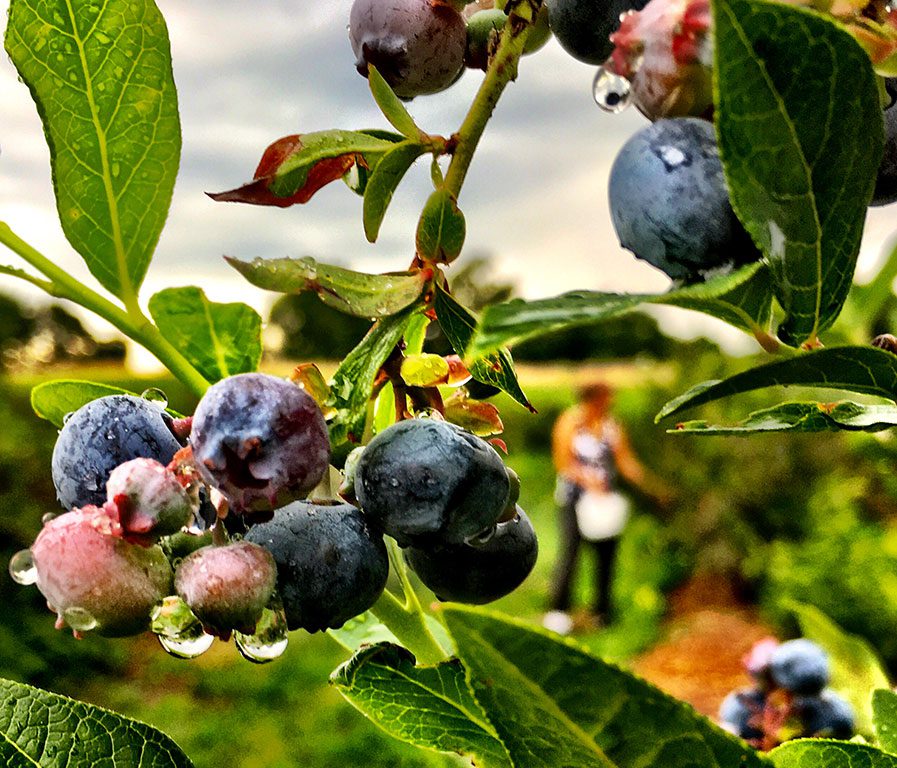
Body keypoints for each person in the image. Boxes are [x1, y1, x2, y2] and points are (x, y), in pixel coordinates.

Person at [543, 382, 657, 635]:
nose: (612, 400)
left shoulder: (612, 426)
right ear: (595, 397)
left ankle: (601, 610)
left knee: (606, 555)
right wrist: (587, 479)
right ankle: (559, 609)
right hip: (574, 498)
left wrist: (650, 485)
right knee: (570, 553)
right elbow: (562, 462)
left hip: (603, 502)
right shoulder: (570, 422)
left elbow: (625, 460)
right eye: (607, 395)